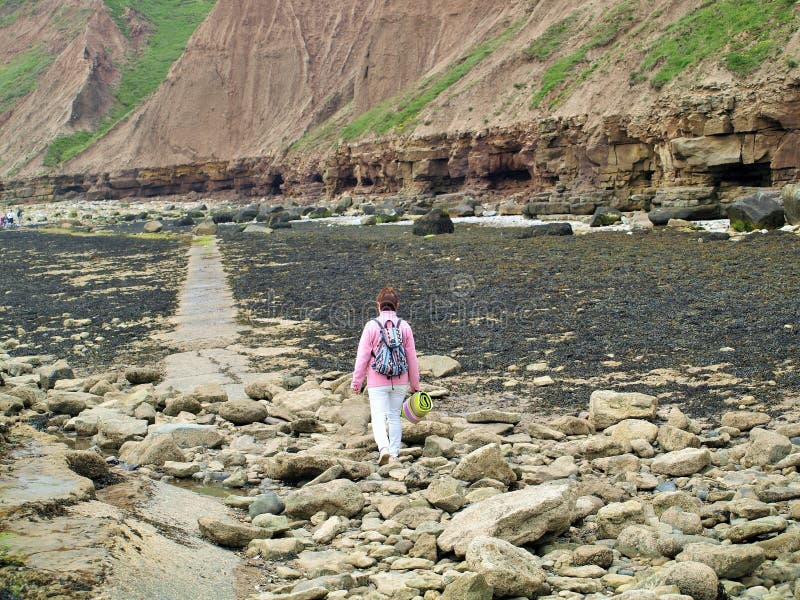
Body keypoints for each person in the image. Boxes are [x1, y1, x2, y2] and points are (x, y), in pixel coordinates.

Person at [352, 286, 420, 465]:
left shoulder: (371, 326)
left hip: (377, 380)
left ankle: (384, 449)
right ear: (397, 305)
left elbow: (363, 357)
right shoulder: (404, 326)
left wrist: (357, 382)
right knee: (395, 416)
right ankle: (395, 454)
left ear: (378, 305)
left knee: (378, 416)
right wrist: (415, 384)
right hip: (400, 379)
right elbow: (412, 357)